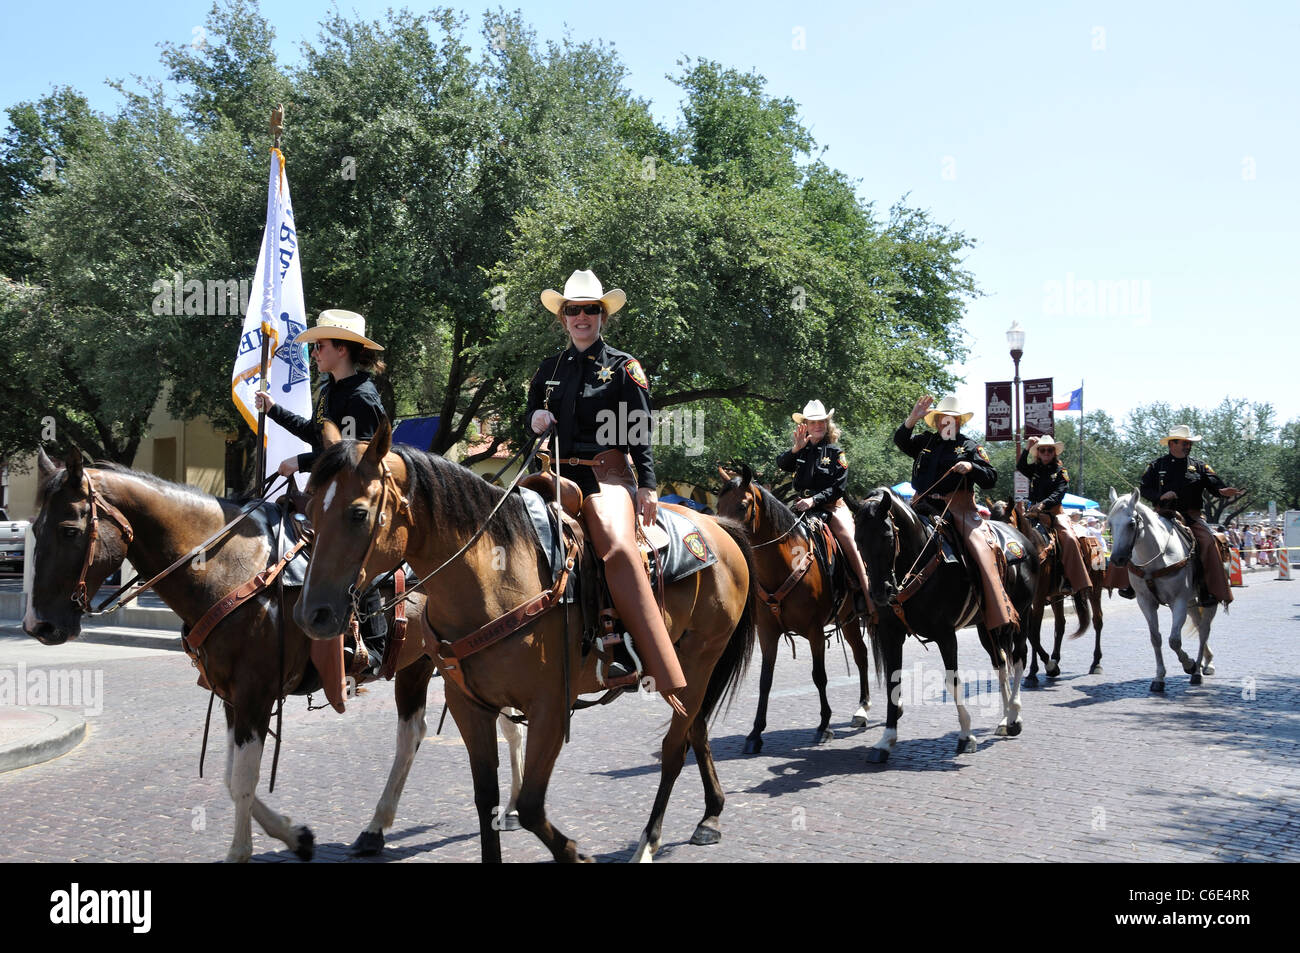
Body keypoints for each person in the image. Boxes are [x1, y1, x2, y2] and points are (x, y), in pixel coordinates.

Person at [525, 269, 687, 716]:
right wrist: (535, 421)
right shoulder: (548, 369)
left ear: (602, 316)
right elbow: (531, 416)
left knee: (615, 548)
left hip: (608, 476)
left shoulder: (622, 366)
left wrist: (649, 485)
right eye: (573, 310)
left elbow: (640, 430)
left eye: (590, 310)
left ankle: (624, 645)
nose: (581, 317)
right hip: (554, 473)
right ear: (562, 318)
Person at [255, 309, 389, 674]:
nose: (314, 353)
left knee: (357, 556)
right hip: (332, 494)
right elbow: (319, 437)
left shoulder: (362, 396)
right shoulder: (329, 390)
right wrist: (274, 410)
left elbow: (354, 456)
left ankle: (375, 649)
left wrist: (300, 462)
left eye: (321, 346)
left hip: (360, 498)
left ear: (342, 350)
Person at [894, 394, 1018, 633]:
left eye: (952, 419)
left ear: (959, 422)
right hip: (922, 506)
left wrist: (972, 467)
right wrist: (911, 419)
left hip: (957, 508)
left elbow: (991, 477)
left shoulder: (970, 446)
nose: (947, 422)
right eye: (943, 419)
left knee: (981, 549)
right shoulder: (925, 442)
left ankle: (995, 605)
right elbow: (901, 441)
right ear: (937, 420)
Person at [776, 400, 873, 614]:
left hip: (832, 508)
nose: (817, 426)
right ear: (806, 426)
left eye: (821, 422)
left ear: (827, 425)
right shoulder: (800, 451)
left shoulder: (836, 452)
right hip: (802, 508)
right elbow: (781, 464)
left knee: (851, 545)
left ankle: (867, 597)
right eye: (813, 423)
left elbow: (838, 487)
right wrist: (795, 449)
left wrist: (814, 500)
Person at [1135, 424, 1242, 606]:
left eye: (1189, 443)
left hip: (1191, 517)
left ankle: (1207, 589)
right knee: (1131, 536)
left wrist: (1223, 491)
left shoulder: (1199, 466)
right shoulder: (1155, 465)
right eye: (1184, 443)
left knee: (1208, 541)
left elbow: (1215, 485)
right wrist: (1160, 496)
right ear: (1172, 444)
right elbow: (1144, 489)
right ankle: (1127, 584)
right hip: (1162, 515)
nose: (1188, 446)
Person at [1016, 436, 1093, 597]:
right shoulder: (1034, 469)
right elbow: (1021, 466)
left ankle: (1070, 579)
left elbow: (1060, 492)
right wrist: (1027, 448)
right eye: (1042, 450)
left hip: (1055, 513)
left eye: (1050, 450)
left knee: (1070, 539)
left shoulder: (1061, 471)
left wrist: (1044, 504)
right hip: (1033, 513)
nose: (1046, 453)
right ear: (1037, 453)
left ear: (1054, 453)